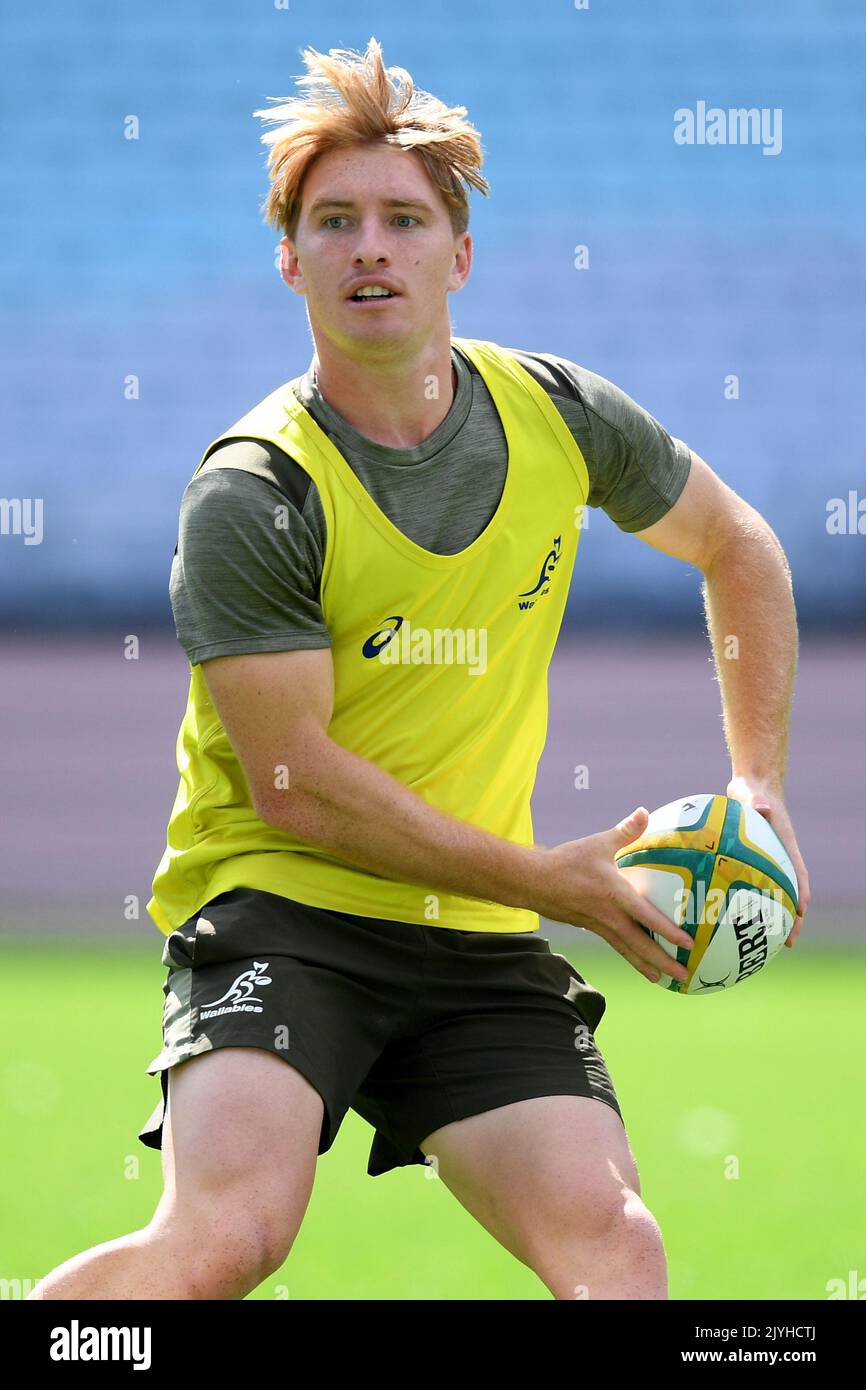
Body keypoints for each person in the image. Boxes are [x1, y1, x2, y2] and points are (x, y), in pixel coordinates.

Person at [30, 36, 809, 1302]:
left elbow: (736, 546)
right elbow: (295, 785)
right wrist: (549, 882)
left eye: (403, 218)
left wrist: (759, 785)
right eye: (333, 222)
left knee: (617, 1244)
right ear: (290, 261)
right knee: (228, 1240)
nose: (369, 247)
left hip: (473, 932)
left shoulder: (561, 414)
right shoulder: (256, 489)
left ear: (460, 254)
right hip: (288, 911)